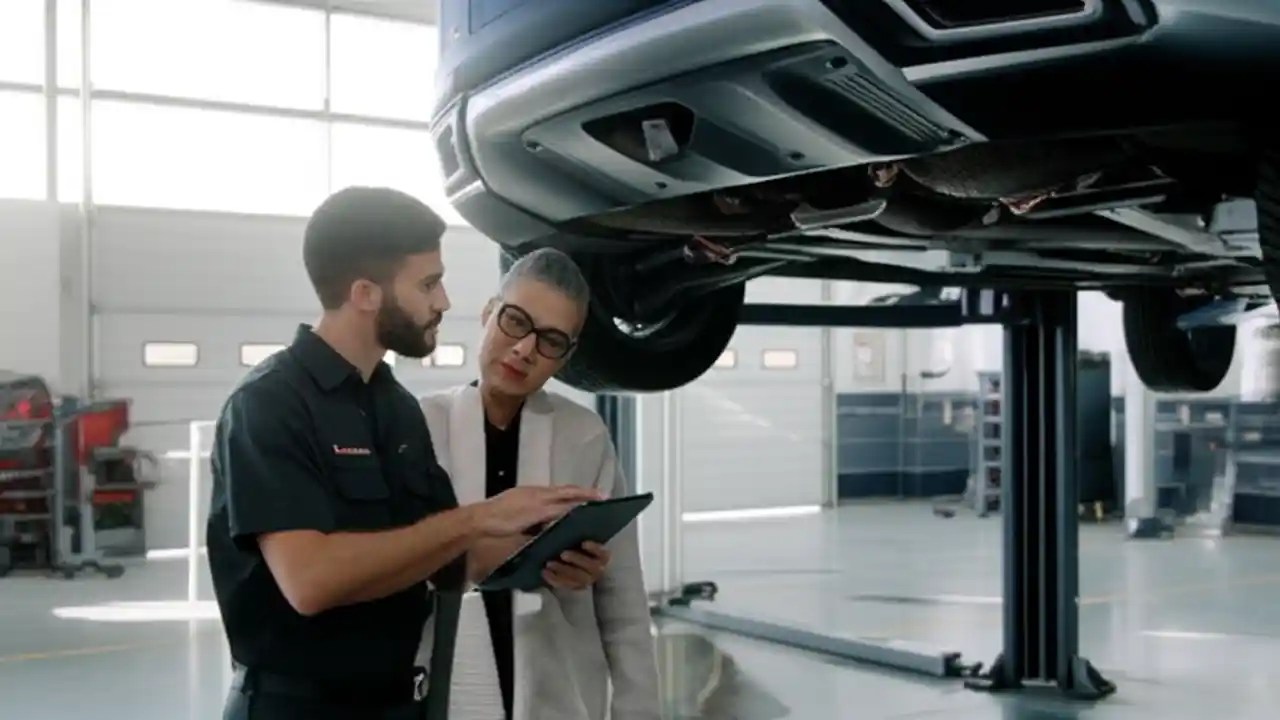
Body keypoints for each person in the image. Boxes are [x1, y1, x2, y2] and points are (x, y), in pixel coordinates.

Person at [205, 187, 601, 720]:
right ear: (366, 293)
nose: (444, 302)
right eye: (428, 284)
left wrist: (550, 552)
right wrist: (480, 517)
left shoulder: (395, 408)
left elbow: (448, 566)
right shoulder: (269, 406)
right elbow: (310, 582)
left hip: (396, 704)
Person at [416, 248, 662, 720]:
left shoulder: (584, 437)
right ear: (488, 314)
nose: (525, 349)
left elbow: (623, 599)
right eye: (514, 322)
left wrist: (637, 710)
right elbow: (391, 567)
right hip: (447, 682)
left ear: (566, 356)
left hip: (558, 688)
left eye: (550, 340)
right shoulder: (421, 426)